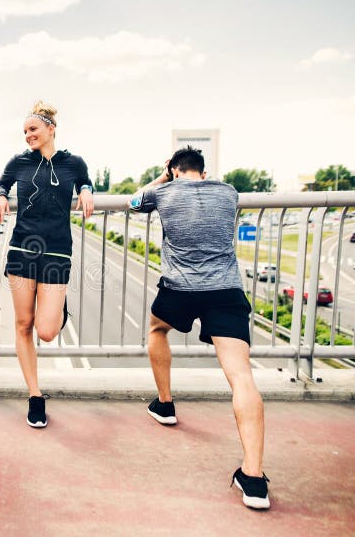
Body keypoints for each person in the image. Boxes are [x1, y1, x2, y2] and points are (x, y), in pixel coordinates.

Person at [130, 146, 270, 509]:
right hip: (225, 290)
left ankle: (165, 404)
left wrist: (162, 177)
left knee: (157, 330)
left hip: (179, 289)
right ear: (203, 173)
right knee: (241, 376)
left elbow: (133, 202)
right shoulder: (228, 192)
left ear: (174, 170)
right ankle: (253, 479)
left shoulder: (163, 190)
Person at [0, 101, 94, 428]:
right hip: (22, 249)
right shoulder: (19, 162)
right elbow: (0, 184)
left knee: (47, 331)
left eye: (33, 129)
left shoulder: (73, 162)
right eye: (24, 132)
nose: (28, 136)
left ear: (51, 129)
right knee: (23, 325)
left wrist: (88, 190)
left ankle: (58, 308)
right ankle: (35, 395)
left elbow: (86, 182)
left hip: (57, 253)